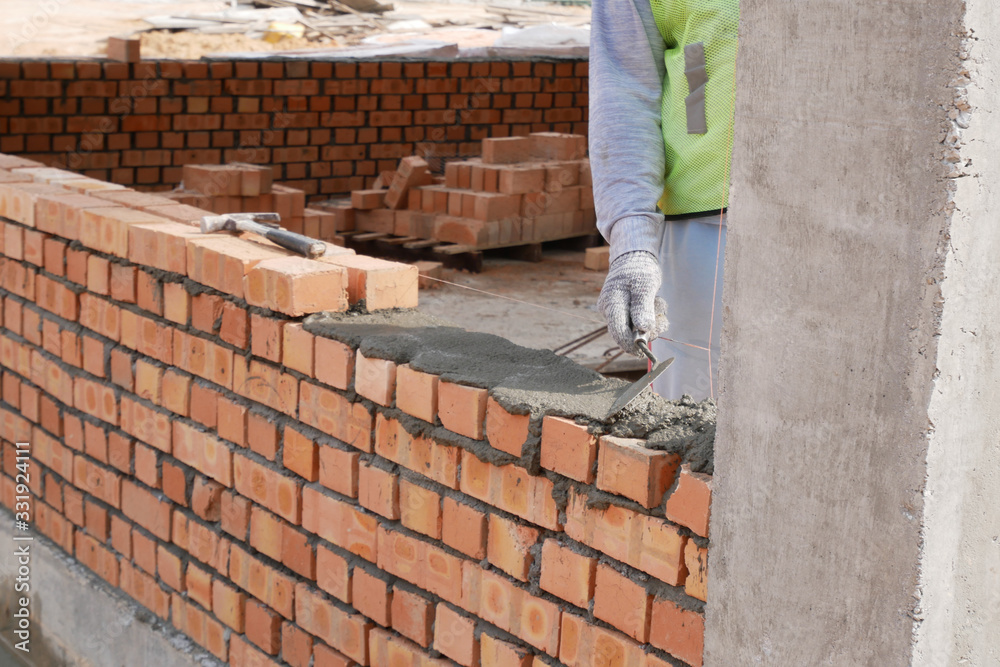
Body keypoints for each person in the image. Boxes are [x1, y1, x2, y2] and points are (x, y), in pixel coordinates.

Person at [590, 0, 739, 401]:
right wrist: (632, 244)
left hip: (861, 223)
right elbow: (623, 92)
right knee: (694, 417)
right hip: (705, 230)